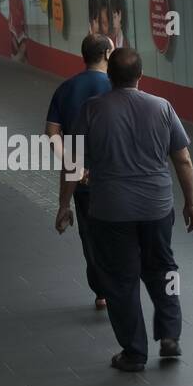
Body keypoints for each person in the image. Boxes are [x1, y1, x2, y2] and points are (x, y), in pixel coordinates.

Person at [58, 48, 193, 372]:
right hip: (157, 207)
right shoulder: (161, 107)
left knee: (120, 281)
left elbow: (74, 163)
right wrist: (190, 203)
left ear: (109, 75)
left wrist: (64, 204)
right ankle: (169, 336)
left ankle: (134, 353)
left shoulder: (92, 110)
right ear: (140, 75)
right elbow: (183, 159)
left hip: (110, 211)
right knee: (164, 270)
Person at [46, 33, 113, 310]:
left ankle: (102, 292)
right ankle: (119, 284)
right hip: (117, 178)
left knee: (91, 235)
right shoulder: (116, 86)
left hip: (82, 182)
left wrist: (74, 166)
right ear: (107, 55)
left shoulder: (66, 88)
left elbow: (51, 133)